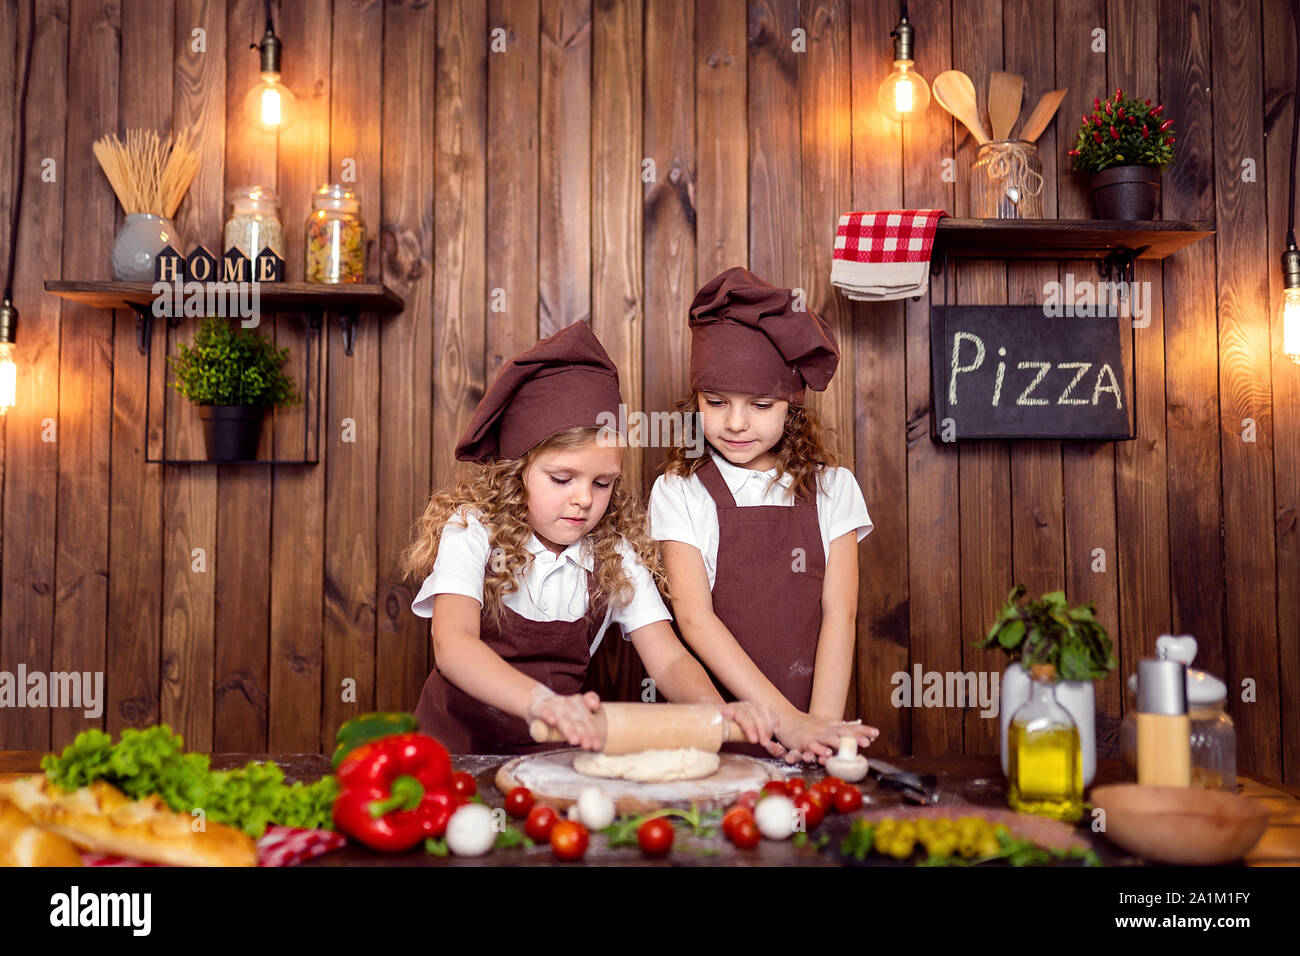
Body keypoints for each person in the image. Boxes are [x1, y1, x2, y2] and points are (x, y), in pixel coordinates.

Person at [405, 320, 781, 755]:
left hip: (549, 760)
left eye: (602, 484)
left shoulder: (614, 554)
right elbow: (454, 645)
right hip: (448, 755)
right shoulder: (472, 530)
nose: (583, 499)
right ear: (517, 471)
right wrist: (540, 702)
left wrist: (716, 712)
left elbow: (669, 658)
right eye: (562, 478)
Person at [649, 267, 880, 763]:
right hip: (715, 735)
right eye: (716, 402)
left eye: (759, 404)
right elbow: (694, 620)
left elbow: (840, 614)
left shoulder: (834, 489)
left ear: (792, 408)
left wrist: (821, 730)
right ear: (696, 403)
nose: (735, 423)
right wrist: (784, 722)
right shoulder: (679, 491)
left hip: (809, 728)